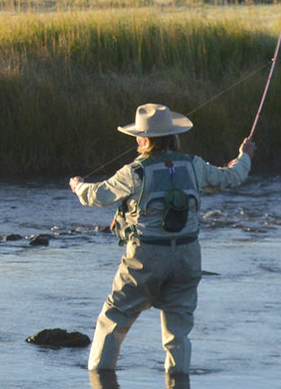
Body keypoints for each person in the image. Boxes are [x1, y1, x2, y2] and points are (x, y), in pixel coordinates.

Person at [66, 104, 252, 373]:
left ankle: (100, 384)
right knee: (178, 332)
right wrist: (244, 156)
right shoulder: (194, 166)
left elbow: (97, 195)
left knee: (115, 316)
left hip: (145, 258)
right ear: (173, 136)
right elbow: (232, 176)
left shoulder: (135, 172)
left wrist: (78, 186)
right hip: (187, 256)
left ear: (143, 140)